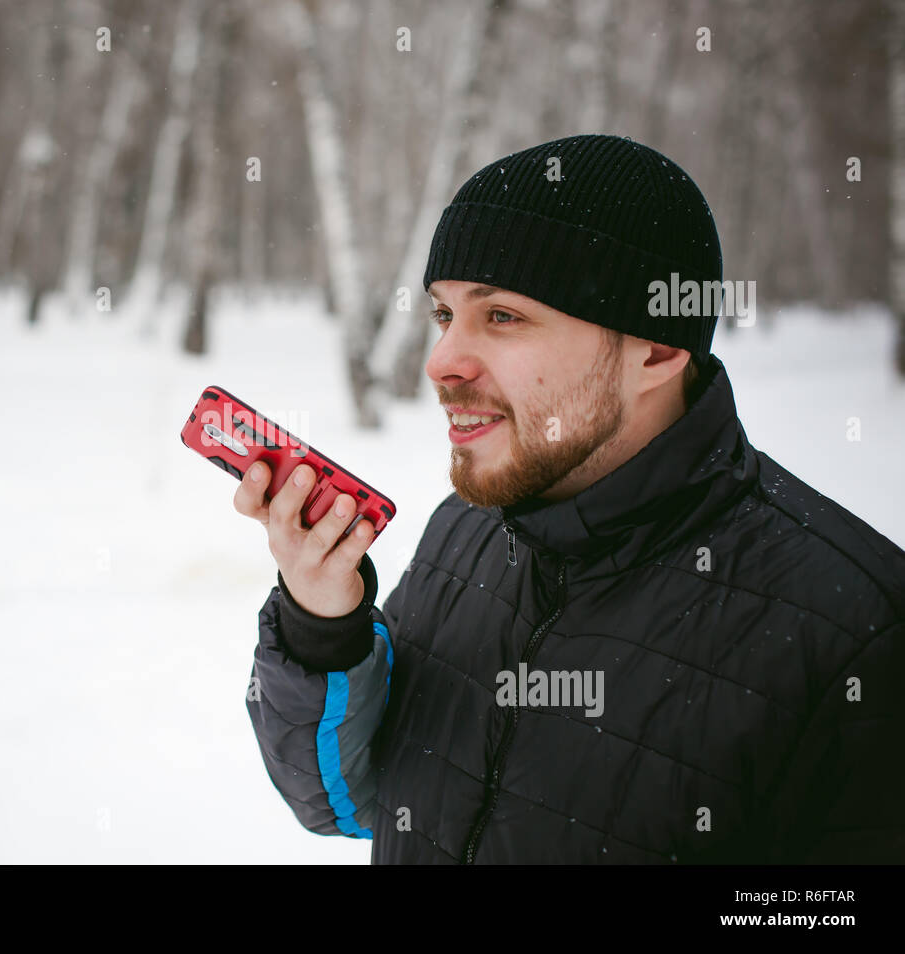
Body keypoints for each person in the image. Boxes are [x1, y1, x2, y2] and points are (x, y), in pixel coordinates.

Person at [236, 134, 905, 864]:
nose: (440, 362)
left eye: (503, 317)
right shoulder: (467, 531)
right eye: (443, 314)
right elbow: (354, 796)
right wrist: (323, 627)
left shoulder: (857, 636)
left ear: (656, 349)